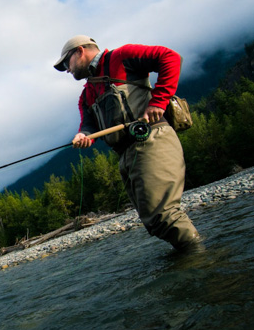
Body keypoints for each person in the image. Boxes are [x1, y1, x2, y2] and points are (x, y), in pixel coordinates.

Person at [53, 35, 201, 252]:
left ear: (80, 51)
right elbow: (88, 126)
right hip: (126, 156)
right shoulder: (85, 96)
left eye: (67, 63)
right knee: (153, 221)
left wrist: (158, 101)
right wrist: (82, 136)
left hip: (152, 139)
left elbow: (170, 57)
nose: (67, 69)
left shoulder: (122, 57)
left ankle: (203, 262)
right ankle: (193, 259)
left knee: (163, 215)